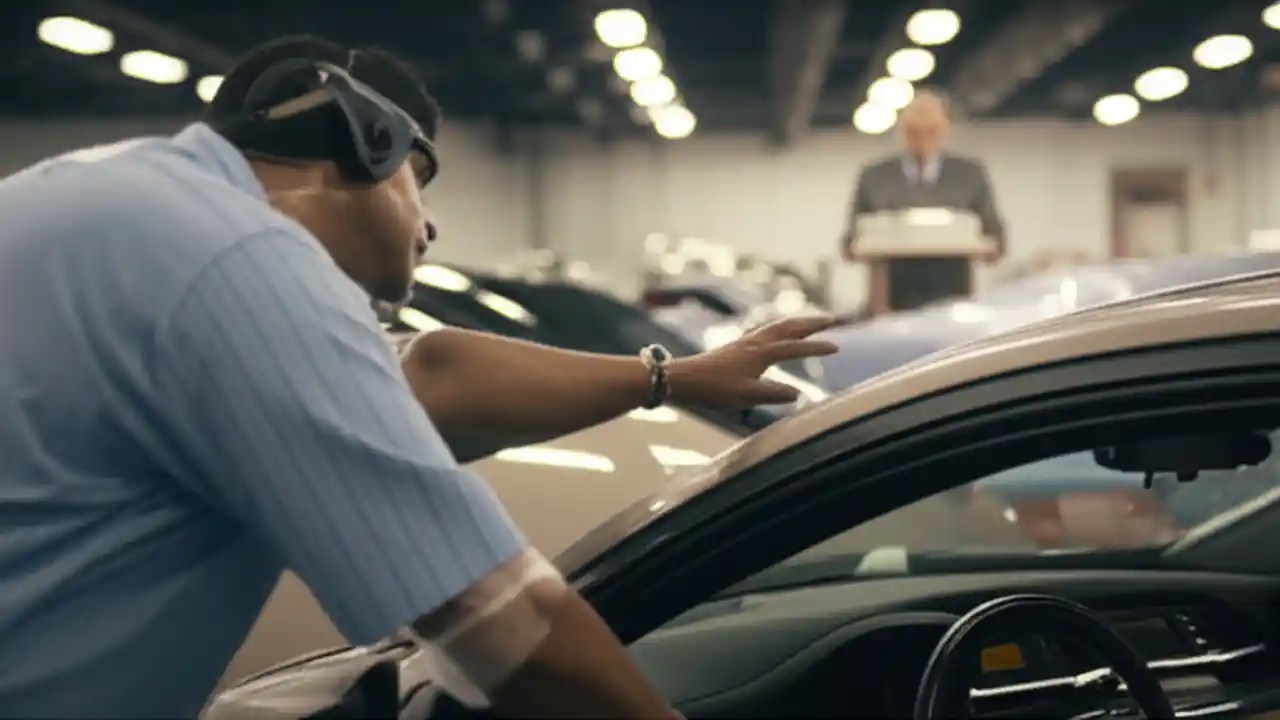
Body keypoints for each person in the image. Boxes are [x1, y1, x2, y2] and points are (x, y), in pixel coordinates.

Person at [0, 35, 837, 718]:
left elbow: (427, 374)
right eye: (420, 179)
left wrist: (676, 378)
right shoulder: (241, 256)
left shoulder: (123, 210)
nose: (429, 223)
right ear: (369, 138)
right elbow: (501, 625)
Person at [841, 90, 1006, 312]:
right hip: (890, 301)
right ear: (902, 131)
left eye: (930, 130)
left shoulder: (970, 175)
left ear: (944, 130)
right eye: (914, 131)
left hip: (954, 297)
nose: (922, 138)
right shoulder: (874, 176)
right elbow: (849, 242)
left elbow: (996, 238)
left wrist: (986, 246)